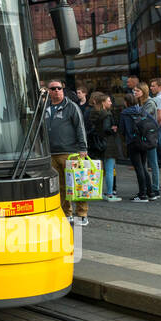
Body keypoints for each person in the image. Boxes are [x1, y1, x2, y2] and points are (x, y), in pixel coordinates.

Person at [44, 80, 90, 225]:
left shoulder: (71, 107)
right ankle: (66, 213)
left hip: (71, 152)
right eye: (53, 88)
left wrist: (83, 148)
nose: (56, 90)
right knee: (61, 186)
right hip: (51, 153)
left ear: (63, 90)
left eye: (59, 88)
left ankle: (82, 214)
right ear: (49, 91)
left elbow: (80, 128)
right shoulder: (45, 106)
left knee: (78, 184)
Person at [120, 92, 156, 202]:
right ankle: (150, 192)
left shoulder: (124, 114)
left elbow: (122, 129)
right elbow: (153, 122)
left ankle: (142, 194)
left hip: (132, 142)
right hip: (144, 141)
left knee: (138, 168)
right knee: (143, 167)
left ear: (126, 102)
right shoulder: (142, 110)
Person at [85, 91, 119, 201]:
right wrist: (113, 130)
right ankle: (109, 193)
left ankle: (94, 191)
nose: (111, 103)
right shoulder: (107, 114)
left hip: (97, 144)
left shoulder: (92, 113)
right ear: (103, 103)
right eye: (109, 101)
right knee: (109, 169)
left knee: (96, 169)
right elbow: (106, 129)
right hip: (108, 144)